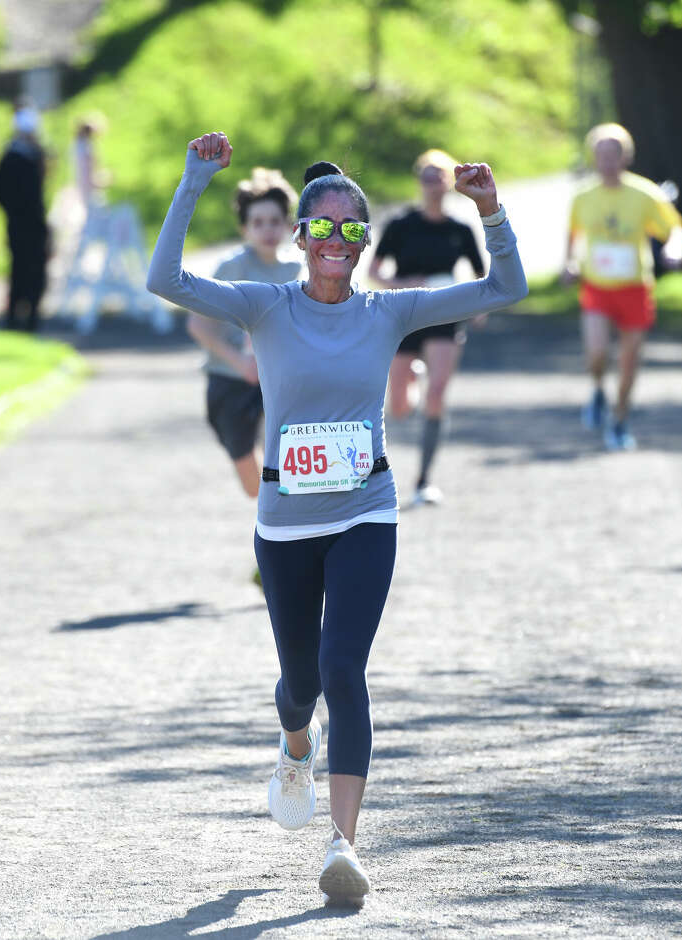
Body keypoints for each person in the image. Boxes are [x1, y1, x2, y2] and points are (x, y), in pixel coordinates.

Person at [147, 131, 527, 903]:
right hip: (286, 525)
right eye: (320, 225)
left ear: (362, 243)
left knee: (342, 669)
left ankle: (343, 845)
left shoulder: (389, 312)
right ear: (300, 236)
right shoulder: (264, 305)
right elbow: (166, 279)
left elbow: (503, 287)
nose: (334, 239)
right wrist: (191, 183)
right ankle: (297, 745)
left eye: (350, 228)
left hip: (366, 513)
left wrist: (491, 212)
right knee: (300, 685)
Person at [368, 149, 485, 505]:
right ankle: (414, 377)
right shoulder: (400, 225)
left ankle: (423, 480)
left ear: (449, 182)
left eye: (439, 176)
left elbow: (481, 274)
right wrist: (403, 284)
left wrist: (478, 306)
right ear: (419, 182)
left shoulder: (459, 230)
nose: (433, 183)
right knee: (400, 407)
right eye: (427, 176)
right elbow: (374, 272)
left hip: (444, 316)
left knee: (436, 396)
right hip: (405, 316)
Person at [564, 123, 682, 450]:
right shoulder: (583, 196)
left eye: (613, 154)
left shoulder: (645, 194)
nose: (607, 161)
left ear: (625, 157)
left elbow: (675, 228)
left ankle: (619, 420)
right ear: (594, 157)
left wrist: (675, 248)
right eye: (601, 154)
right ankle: (597, 390)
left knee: (629, 363)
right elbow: (573, 233)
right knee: (597, 353)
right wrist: (570, 263)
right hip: (597, 287)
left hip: (634, 288)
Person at [186, 168, 301, 501]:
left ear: (288, 226)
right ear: (244, 229)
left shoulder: (297, 271)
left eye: (275, 221)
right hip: (230, 380)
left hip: (278, 381)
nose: (267, 230)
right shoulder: (231, 269)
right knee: (253, 484)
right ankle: (272, 508)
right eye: (258, 222)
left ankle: (287, 523)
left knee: (285, 468)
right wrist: (240, 363)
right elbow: (198, 326)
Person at [0, 102, 49, 331]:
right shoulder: (17, 156)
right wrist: (13, 208)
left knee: (29, 269)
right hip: (24, 222)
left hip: (26, 221)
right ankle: (18, 318)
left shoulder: (28, 155)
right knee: (23, 270)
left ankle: (27, 316)